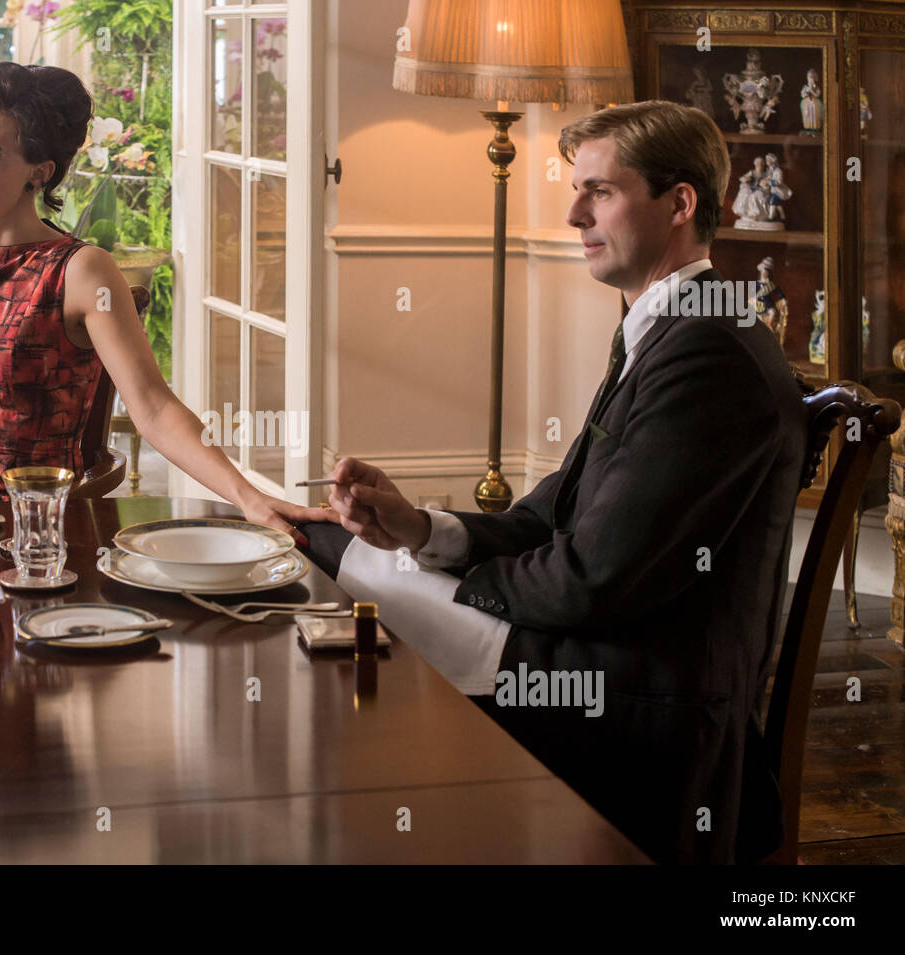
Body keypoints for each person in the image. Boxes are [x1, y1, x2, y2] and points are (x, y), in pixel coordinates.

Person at [301, 101, 807, 864]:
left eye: (600, 191)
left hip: (635, 701)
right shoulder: (667, 327)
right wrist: (419, 530)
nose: (573, 213)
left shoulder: (710, 353)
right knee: (338, 553)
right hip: (599, 652)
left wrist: (456, 589)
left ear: (680, 204)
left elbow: (595, 576)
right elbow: (554, 513)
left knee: (343, 579)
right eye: (578, 190)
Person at [0, 63, 330, 539]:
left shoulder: (80, 271)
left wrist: (247, 495)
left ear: (39, 173)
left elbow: (153, 407)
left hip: (36, 532)